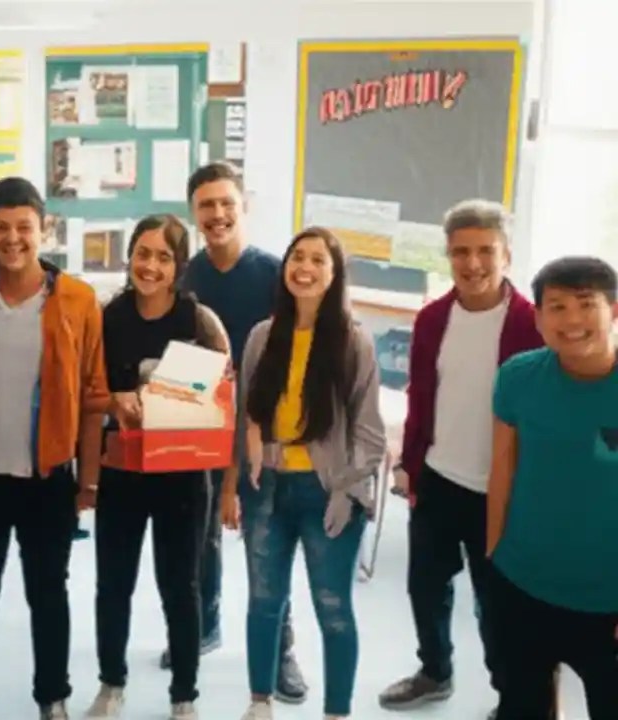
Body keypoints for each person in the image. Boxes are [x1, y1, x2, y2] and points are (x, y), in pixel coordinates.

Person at [0, 177, 109, 720]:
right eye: (0, 227)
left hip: (48, 477)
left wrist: (89, 479)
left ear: (44, 230)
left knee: (48, 594)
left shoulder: (78, 299)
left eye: (23, 227)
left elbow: (92, 395)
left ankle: (51, 698)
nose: (12, 238)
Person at [379, 200, 541, 714]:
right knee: (425, 588)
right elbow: (420, 395)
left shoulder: (532, 323)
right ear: (447, 256)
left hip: (502, 490)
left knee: (496, 606)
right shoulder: (431, 319)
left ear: (507, 254)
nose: (473, 264)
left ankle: (509, 694)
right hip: (439, 479)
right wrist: (409, 463)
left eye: (485, 251)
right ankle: (435, 671)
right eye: (460, 252)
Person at [236, 227, 385, 720]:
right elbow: (250, 408)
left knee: (332, 607)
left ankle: (336, 711)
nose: (305, 267)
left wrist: (349, 490)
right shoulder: (264, 334)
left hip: (328, 491)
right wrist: (252, 460)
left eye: (318, 260)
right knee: (264, 601)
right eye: (297, 257)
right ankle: (260, 702)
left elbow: (370, 433)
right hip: (268, 489)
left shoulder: (353, 341)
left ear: (334, 273)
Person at [85, 215, 230, 720]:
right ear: (129, 259)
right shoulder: (107, 317)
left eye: (163, 257)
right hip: (123, 474)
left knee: (181, 585)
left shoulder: (199, 322)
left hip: (184, 478)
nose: (150, 266)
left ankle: (184, 696)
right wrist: (114, 401)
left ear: (178, 266)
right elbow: (89, 390)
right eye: (142, 254)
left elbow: (223, 390)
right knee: (113, 583)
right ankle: (111, 685)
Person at [176, 161, 308, 703]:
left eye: (226, 203)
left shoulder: (276, 275)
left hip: (262, 433)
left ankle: (282, 650)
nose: (217, 214)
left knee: (265, 544)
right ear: (194, 215)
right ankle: (204, 625)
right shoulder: (187, 277)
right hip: (202, 428)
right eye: (206, 206)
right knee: (197, 539)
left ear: (243, 205)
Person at [487, 256, 618, 719]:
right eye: (557, 307)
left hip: (608, 604)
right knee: (522, 707)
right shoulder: (519, 377)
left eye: (587, 304)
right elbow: (502, 467)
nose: (573, 320)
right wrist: (494, 556)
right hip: (522, 584)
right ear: (539, 317)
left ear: (614, 310)